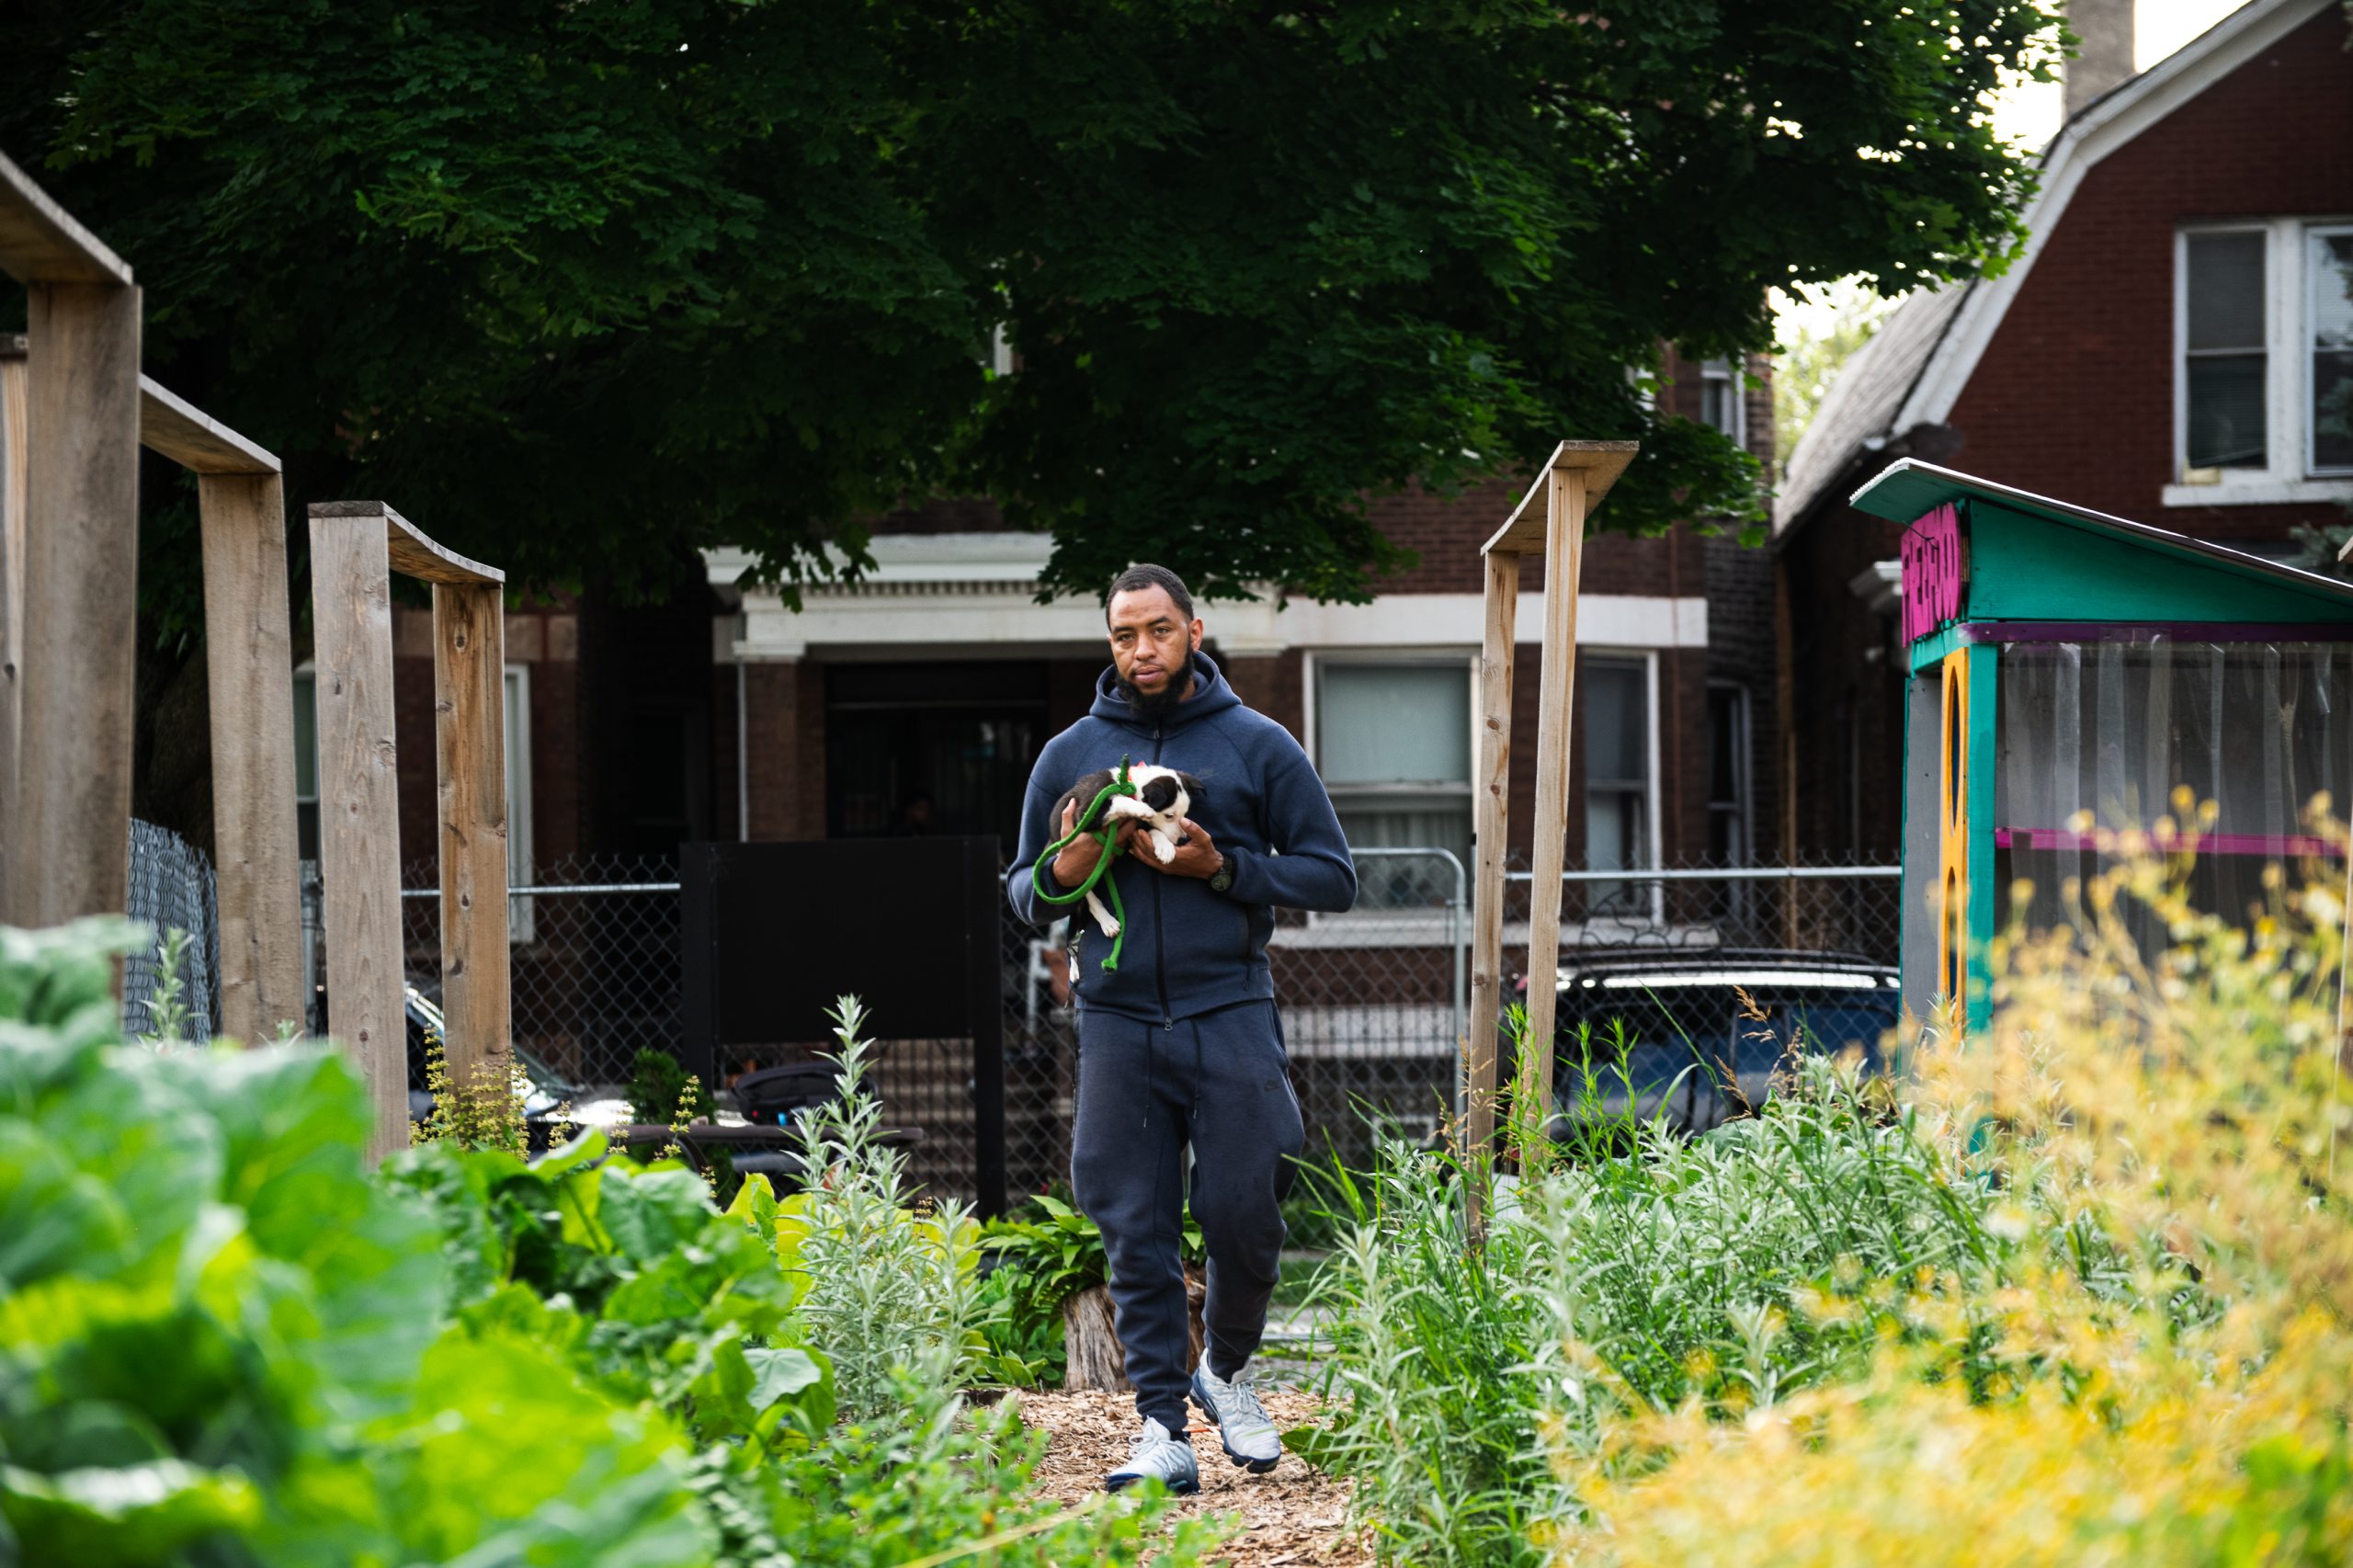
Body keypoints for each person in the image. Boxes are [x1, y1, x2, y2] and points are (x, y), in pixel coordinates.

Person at [1006, 563, 1357, 1494]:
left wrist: (1222, 866)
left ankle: (1227, 1368)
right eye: (1124, 635)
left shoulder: (1257, 744)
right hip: (1117, 1018)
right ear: (1110, 643)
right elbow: (1022, 891)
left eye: (1158, 630)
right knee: (1133, 1223)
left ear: (1193, 630)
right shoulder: (1069, 751)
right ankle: (1162, 1422)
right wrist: (1076, 853)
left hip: (1228, 1005)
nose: (1142, 649)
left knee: (1248, 1203)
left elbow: (1332, 874)